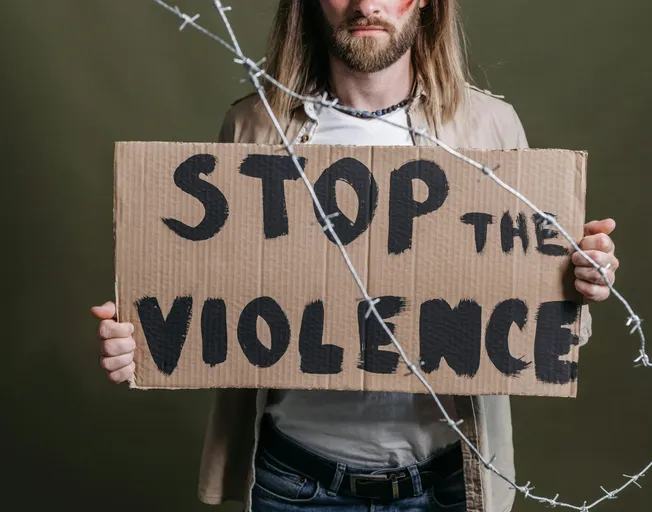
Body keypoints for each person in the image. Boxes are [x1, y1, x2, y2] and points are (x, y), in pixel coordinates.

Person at [91, 1, 620, 510]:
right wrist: (139, 337)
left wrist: (581, 285)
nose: (367, 4)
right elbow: (214, 293)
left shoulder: (491, 128)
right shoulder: (253, 127)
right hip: (295, 478)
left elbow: (539, 321)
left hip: (448, 482)